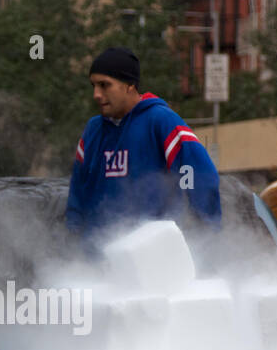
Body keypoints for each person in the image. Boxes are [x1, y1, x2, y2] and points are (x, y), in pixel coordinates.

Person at [66, 46, 221, 235]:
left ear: (130, 85)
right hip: (95, 258)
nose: (96, 94)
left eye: (105, 85)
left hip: (151, 257)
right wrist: (73, 238)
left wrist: (208, 235)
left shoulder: (161, 121)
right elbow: (77, 193)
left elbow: (199, 174)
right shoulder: (93, 130)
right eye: (94, 86)